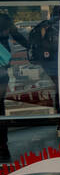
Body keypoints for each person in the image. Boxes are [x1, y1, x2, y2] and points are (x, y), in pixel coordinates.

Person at [0, 12, 32, 161]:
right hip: (2, 70)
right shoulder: (5, 18)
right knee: (0, 107)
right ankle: (2, 145)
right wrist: (30, 46)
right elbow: (16, 35)